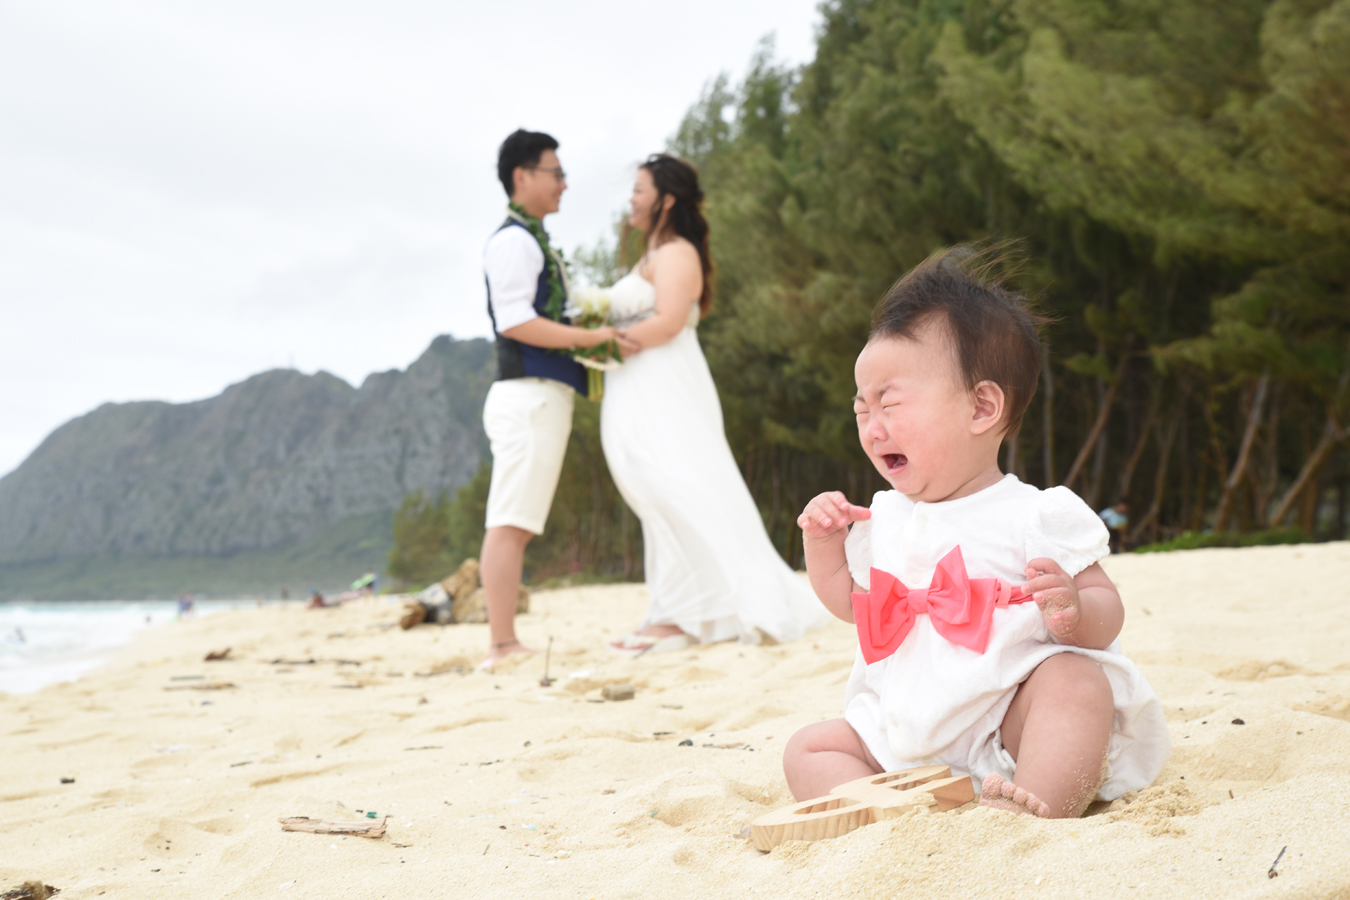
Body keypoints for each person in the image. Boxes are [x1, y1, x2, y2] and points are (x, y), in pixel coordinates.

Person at [784, 247, 1168, 818]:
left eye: (889, 402)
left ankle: (1034, 806)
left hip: (1006, 720)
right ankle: (894, 813)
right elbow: (852, 603)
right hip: (905, 732)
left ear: (982, 407)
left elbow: (1105, 604)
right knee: (808, 749)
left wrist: (1075, 611)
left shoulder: (1032, 513)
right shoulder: (883, 518)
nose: (872, 424)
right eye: (861, 409)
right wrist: (822, 544)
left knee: (1076, 683)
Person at [599, 154, 830, 652]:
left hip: (665, 386)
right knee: (650, 490)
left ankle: (684, 614)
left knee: (675, 483)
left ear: (667, 199)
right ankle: (673, 609)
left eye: (639, 190)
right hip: (636, 386)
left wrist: (599, 343)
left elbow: (666, 322)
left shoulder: (678, 252)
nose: (632, 200)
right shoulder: (649, 257)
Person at [478, 129, 637, 669]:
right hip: (528, 396)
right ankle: (501, 643)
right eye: (556, 172)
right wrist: (594, 339)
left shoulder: (533, 238)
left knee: (517, 519)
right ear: (522, 176)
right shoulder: (513, 241)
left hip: (541, 397)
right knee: (511, 520)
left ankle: (503, 638)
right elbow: (516, 320)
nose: (564, 184)